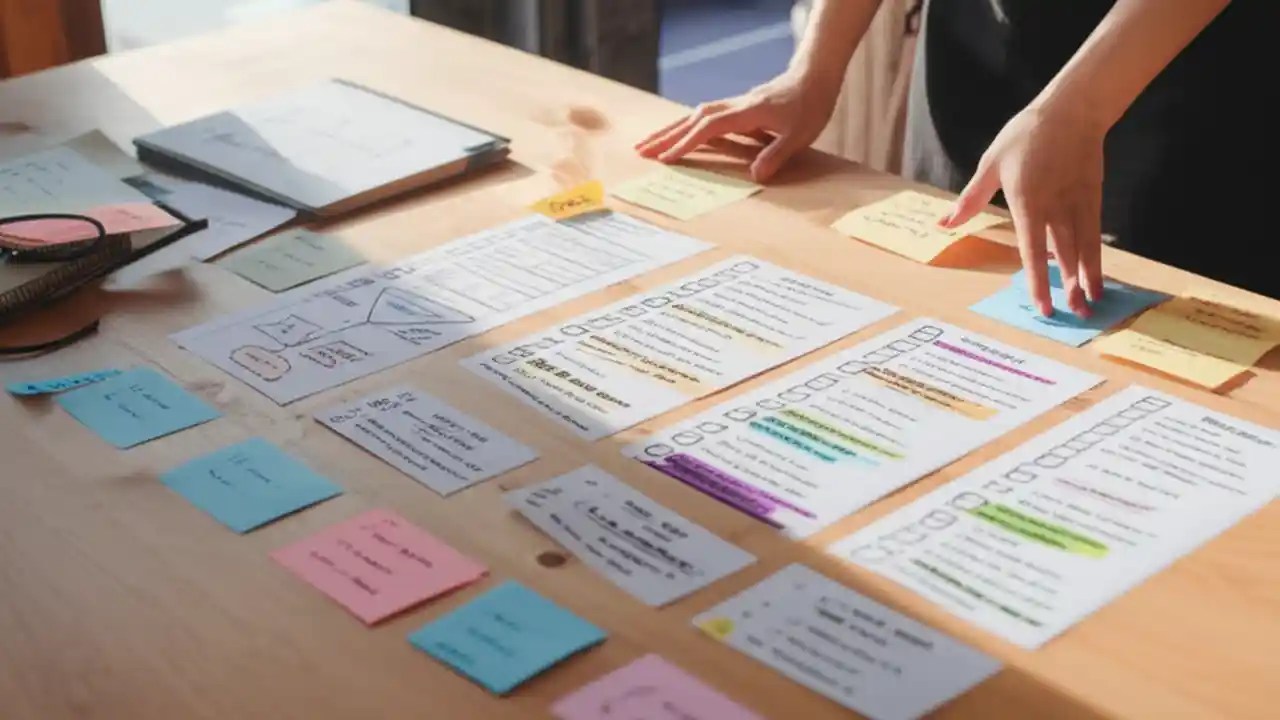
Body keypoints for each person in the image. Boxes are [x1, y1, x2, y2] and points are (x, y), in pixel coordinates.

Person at [637, 0, 1278, 314]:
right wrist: (815, 68)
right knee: (953, 291)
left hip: (1175, 64)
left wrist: (1080, 108)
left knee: (1152, 339)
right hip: (981, 51)